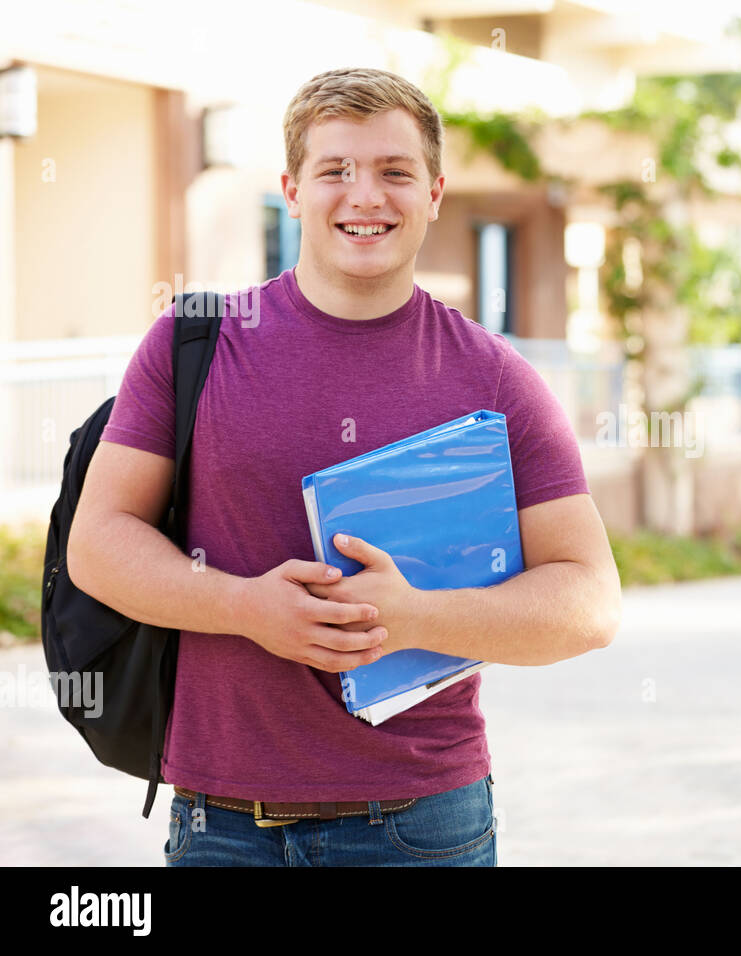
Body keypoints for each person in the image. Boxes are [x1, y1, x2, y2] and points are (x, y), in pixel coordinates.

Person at [65, 67, 623, 867]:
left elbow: (590, 600)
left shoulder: (495, 378)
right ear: (292, 189)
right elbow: (99, 544)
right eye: (336, 171)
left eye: (396, 172)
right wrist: (247, 607)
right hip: (221, 825)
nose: (366, 196)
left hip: (420, 825)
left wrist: (414, 615)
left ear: (434, 192)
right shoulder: (195, 343)